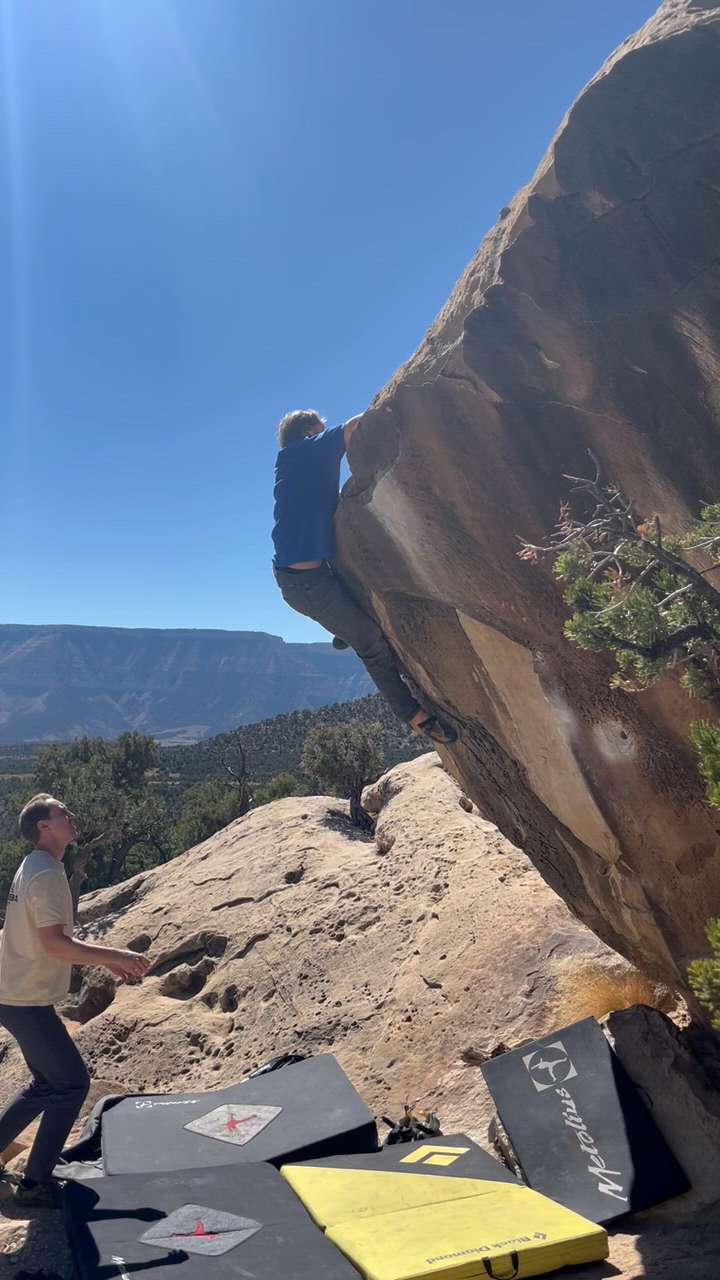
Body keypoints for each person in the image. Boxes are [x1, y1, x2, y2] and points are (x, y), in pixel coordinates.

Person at [0, 794, 151, 1207]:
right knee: (71, 1085)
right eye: (62, 813)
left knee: (46, 1084)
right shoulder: (46, 873)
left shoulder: (35, 865)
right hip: (24, 997)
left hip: (16, 992)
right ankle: (35, 1184)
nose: (71, 816)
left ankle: (28, 1173)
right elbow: (55, 944)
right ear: (44, 828)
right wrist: (115, 957)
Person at [272, 409, 456, 744]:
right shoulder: (306, 451)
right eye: (319, 430)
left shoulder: (293, 462)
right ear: (309, 433)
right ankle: (415, 717)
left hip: (312, 576)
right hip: (308, 585)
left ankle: (341, 629)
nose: (324, 434)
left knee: (353, 607)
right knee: (370, 644)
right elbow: (357, 425)